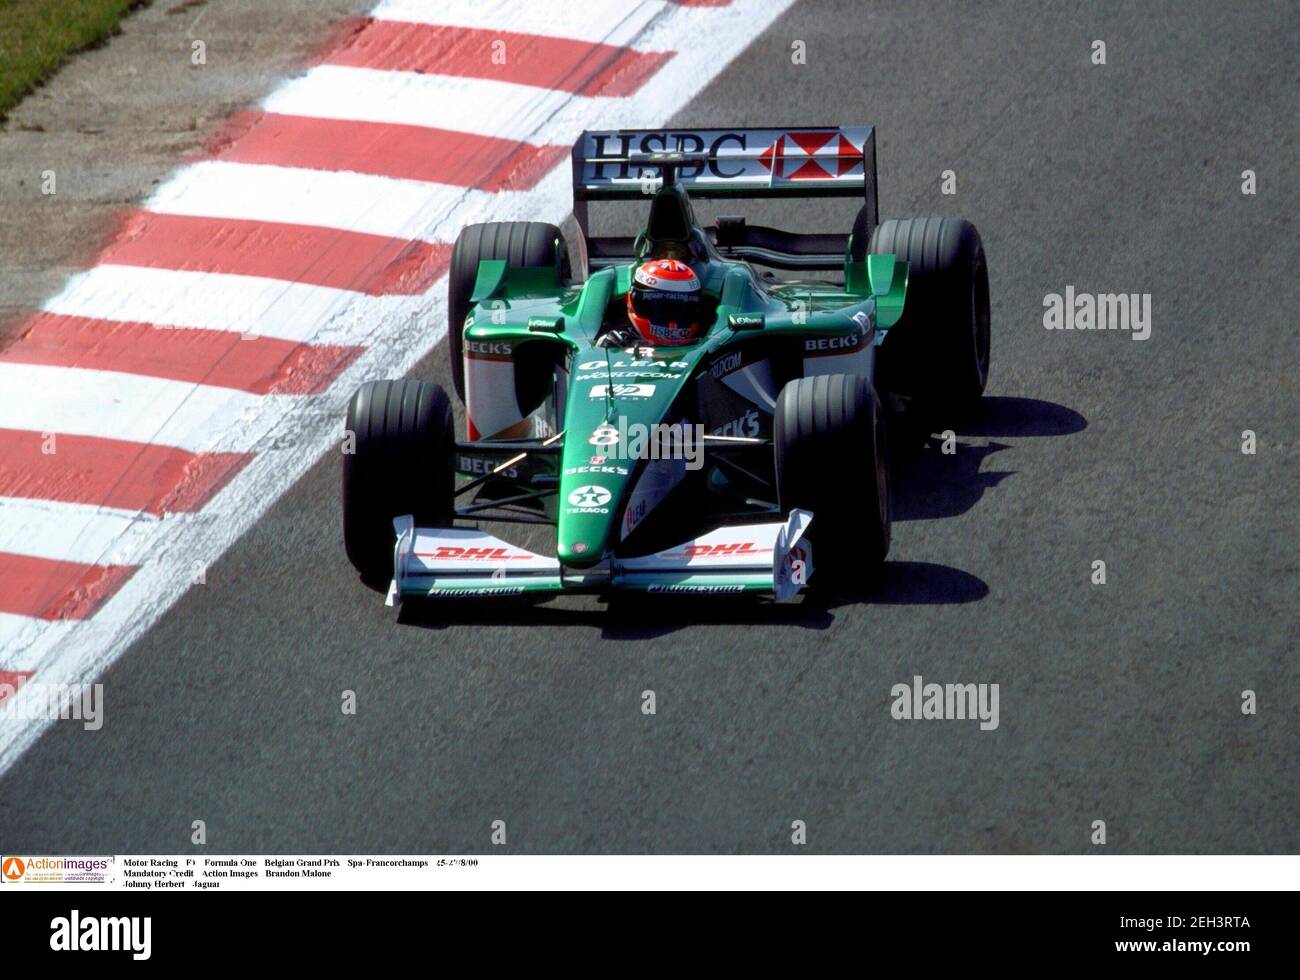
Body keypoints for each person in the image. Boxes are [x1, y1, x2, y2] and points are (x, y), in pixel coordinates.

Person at [601, 258, 705, 348]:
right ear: (631, 300)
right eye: (661, 308)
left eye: (678, 309)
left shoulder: (710, 340)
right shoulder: (613, 341)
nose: (669, 316)